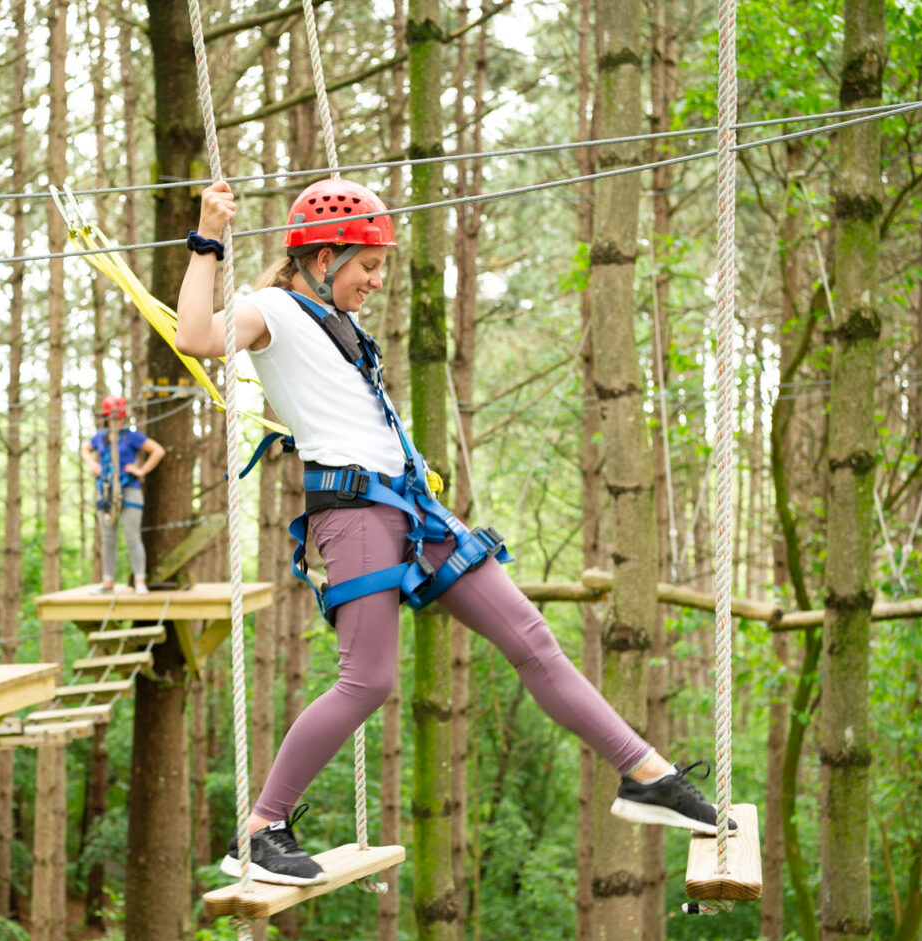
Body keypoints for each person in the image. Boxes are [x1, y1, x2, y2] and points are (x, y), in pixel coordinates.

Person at [174, 178, 734, 886]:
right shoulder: (274, 309)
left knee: (531, 637)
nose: (377, 281)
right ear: (321, 256)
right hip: (354, 513)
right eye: (367, 266)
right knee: (368, 680)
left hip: (410, 507)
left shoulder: (335, 321)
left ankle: (648, 776)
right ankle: (260, 829)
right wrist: (207, 240)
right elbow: (193, 337)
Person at [80, 395, 165, 595]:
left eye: (119, 417)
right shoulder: (100, 437)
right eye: (113, 417)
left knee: (132, 536)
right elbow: (85, 449)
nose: (116, 421)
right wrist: (92, 464)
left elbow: (157, 451)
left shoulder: (132, 436)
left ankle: (140, 582)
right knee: (108, 538)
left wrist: (141, 470)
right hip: (106, 493)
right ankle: (107, 582)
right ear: (107, 417)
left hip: (130, 489)